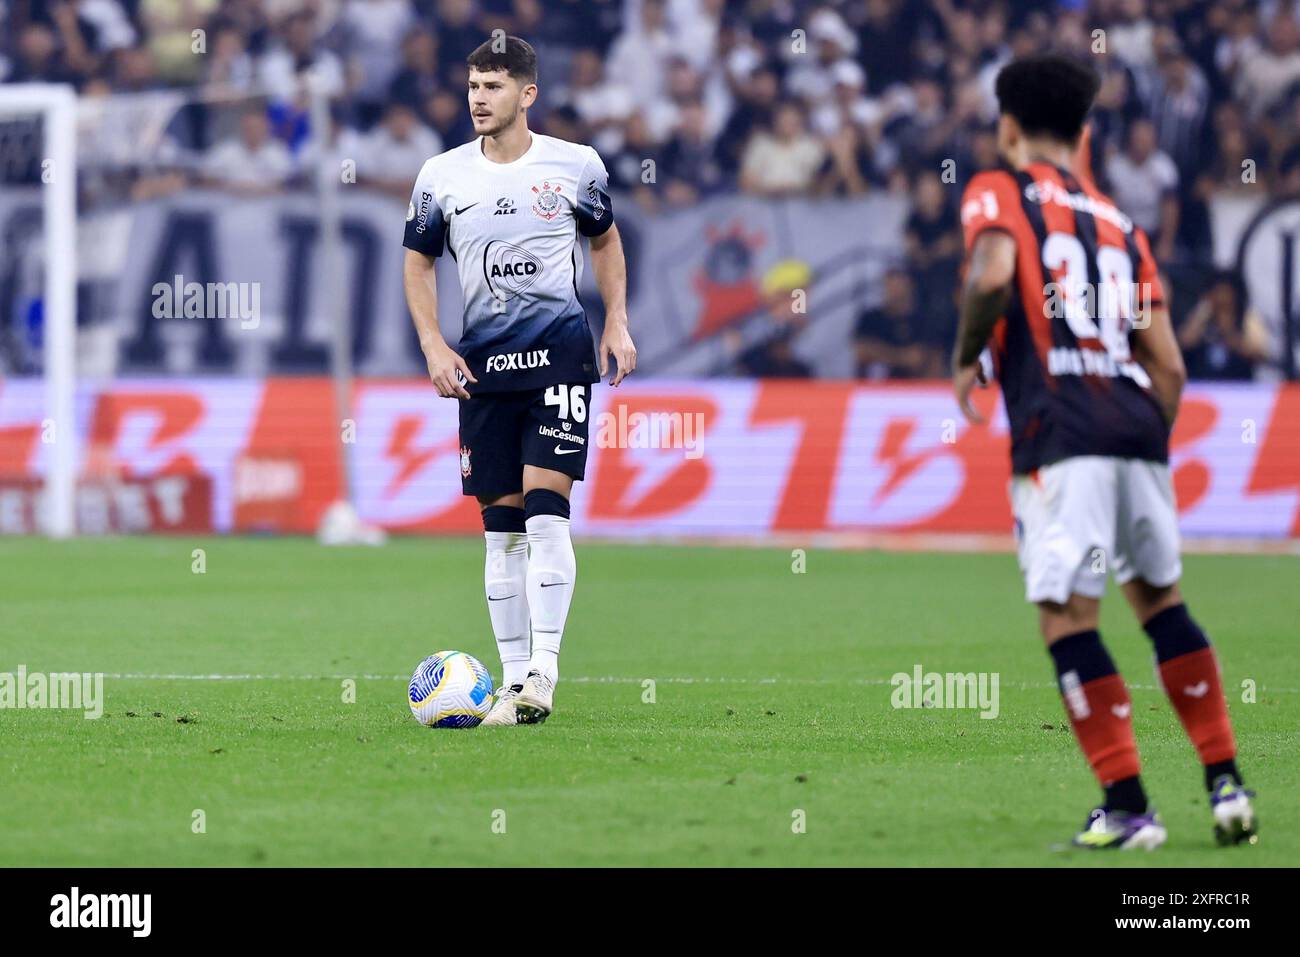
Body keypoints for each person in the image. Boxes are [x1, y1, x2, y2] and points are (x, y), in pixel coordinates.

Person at [952, 54, 1256, 850]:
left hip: (1062, 431)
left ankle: (1127, 804)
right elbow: (1172, 364)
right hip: (1136, 424)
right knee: (1161, 603)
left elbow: (992, 272)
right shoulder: (1120, 219)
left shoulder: (997, 188)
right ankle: (1226, 784)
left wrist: (964, 353)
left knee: (1067, 616)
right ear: (1084, 134)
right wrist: (1144, 432)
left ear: (1008, 126)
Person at [402, 36, 636, 726]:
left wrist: (616, 322)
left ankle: (545, 671)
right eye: (474, 85)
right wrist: (432, 344)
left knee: (544, 511)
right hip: (482, 372)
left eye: (494, 86)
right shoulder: (440, 175)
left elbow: (605, 241)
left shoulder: (576, 165)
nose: (479, 98)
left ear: (527, 94)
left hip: (560, 359)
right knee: (500, 530)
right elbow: (416, 263)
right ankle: (511, 685)